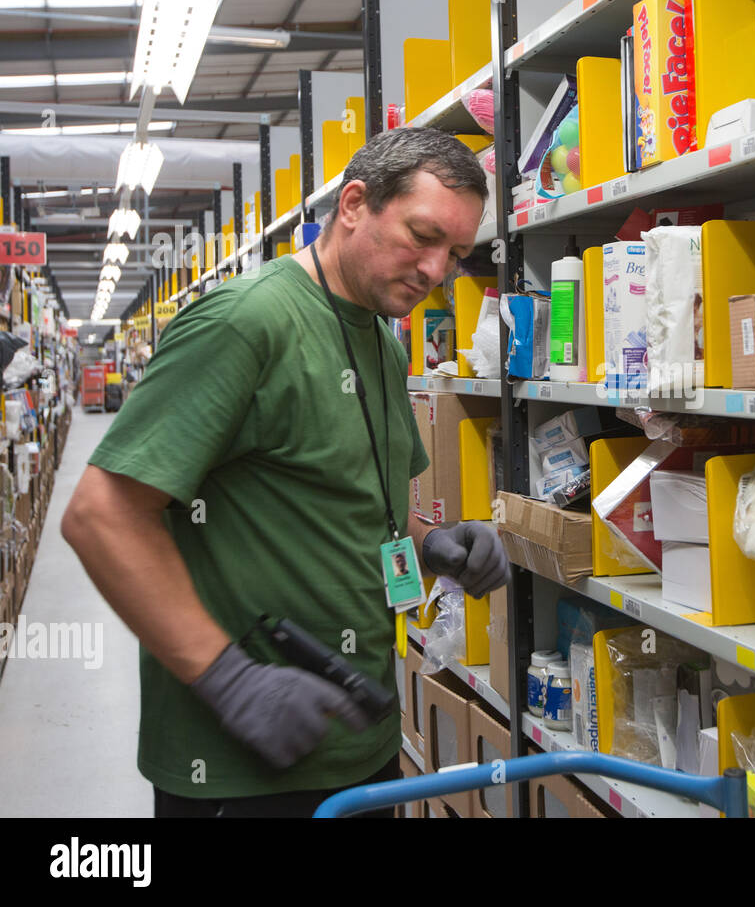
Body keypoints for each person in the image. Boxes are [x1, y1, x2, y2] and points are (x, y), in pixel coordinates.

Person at [62, 128, 508, 818]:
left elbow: (358, 501)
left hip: (358, 746)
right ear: (354, 204)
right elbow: (101, 516)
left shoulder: (381, 339)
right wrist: (228, 678)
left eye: (454, 253)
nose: (435, 269)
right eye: (422, 236)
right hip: (240, 769)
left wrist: (432, 542)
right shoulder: (246, 323)